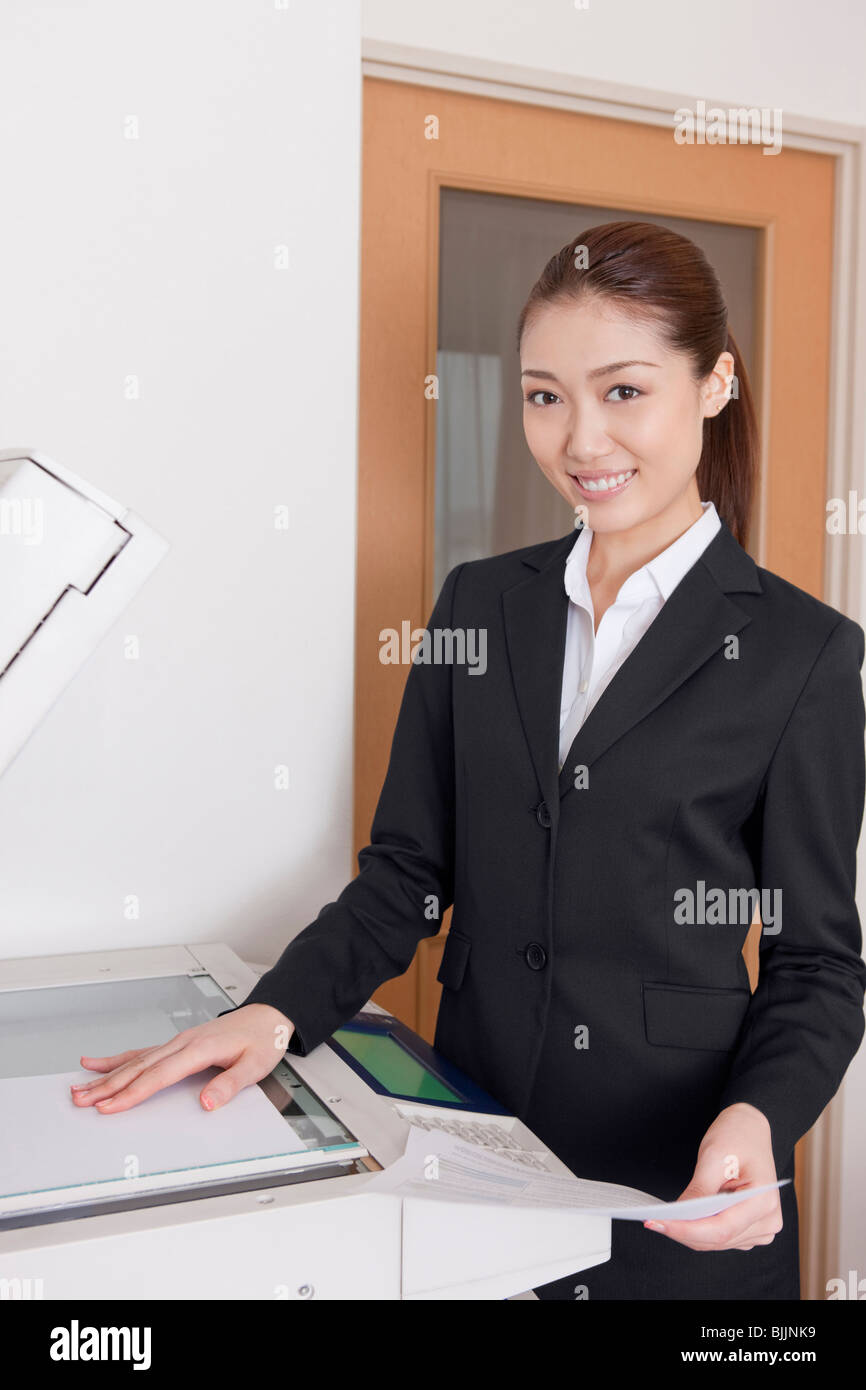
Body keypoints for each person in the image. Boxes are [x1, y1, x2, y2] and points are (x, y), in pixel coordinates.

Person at [70, 222, 866, 1301]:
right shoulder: (480, 604)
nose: (580, 439)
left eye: (622, 390)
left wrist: (758, 1116)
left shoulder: (801, 651)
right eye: (544, 396)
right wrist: (274, 1010)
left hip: (676, 1186)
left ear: (714, 381)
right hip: (471, 1153)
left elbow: (816, 964)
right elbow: (406, 871)